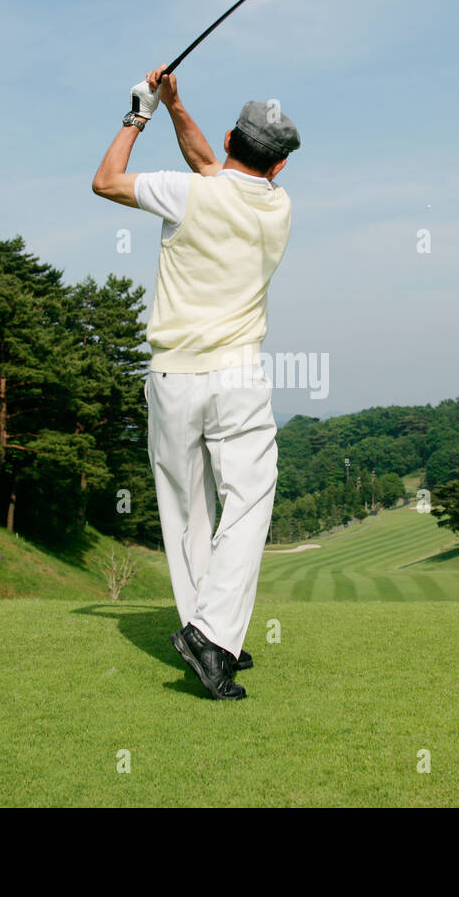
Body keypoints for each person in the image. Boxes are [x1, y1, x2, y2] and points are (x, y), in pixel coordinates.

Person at [92, 65, 299, 700]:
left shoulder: (187, 192)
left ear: (233, 141)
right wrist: (177, 105)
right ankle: (211, 637)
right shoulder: (279, 204)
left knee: (187, 511)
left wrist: (141, 112)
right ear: (279, 166)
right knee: (248, 502)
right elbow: (215, 166)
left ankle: (210, 633)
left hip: (174, 375)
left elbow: (105, 181)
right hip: (239, 376)